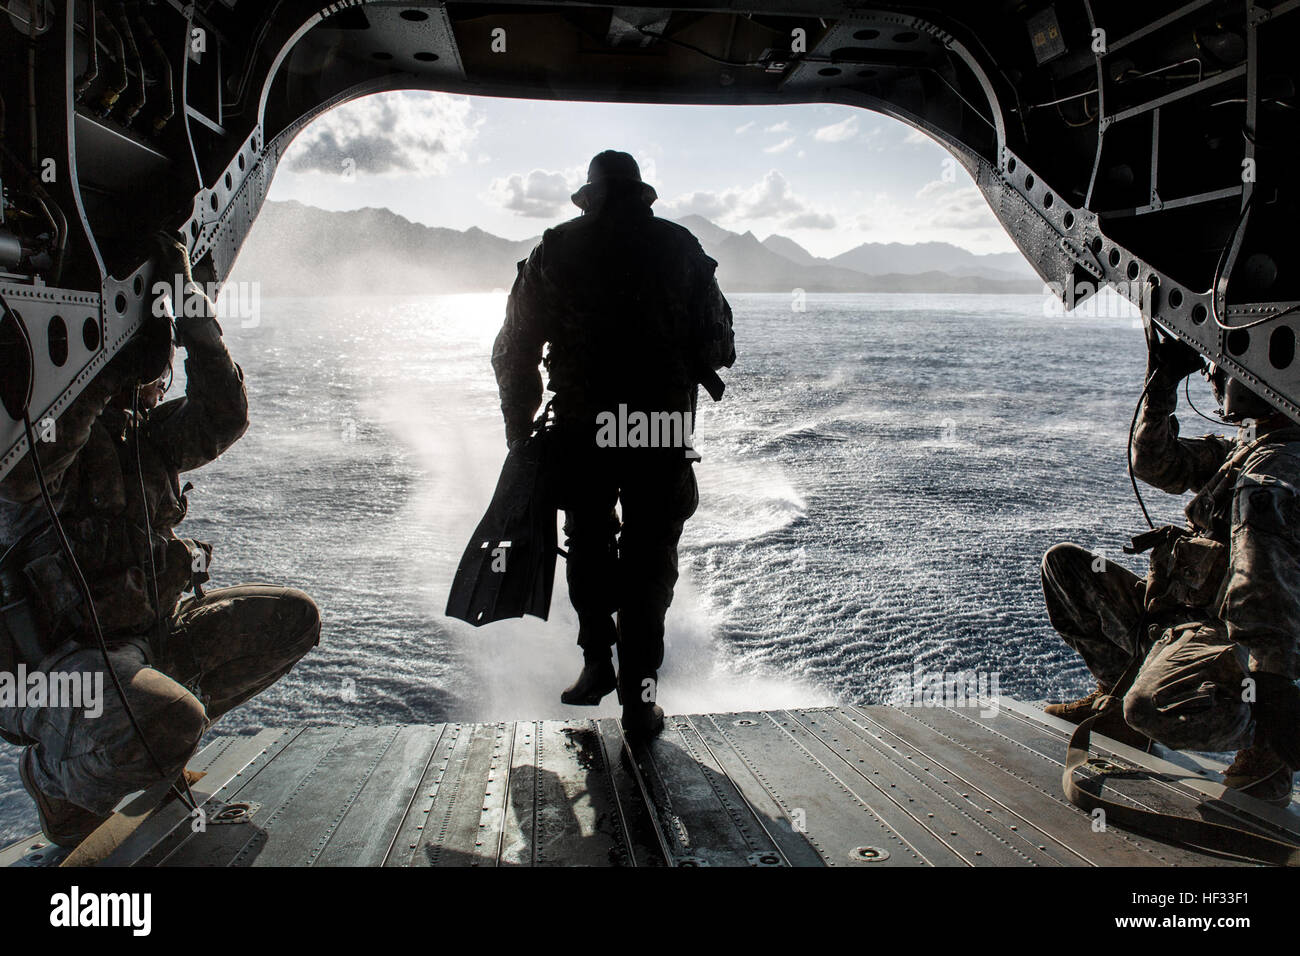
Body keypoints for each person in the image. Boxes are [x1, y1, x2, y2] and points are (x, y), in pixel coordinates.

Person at [0, 237, 321, 845]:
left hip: (147, 634)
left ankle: (157, 720)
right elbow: (26, 473)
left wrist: (195, 322)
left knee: (292, 620)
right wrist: (103, 374)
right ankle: (56, 779)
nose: (151, 385)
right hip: (52, 663)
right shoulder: (28, 436)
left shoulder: (146, 437)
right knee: (163, 723)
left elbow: (223, 416)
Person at [491, 150, 735, 739]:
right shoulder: (682, 250)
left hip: (584, 428)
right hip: (659, 432)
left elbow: (514, 351)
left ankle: (597, 660)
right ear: (641, 195)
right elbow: (721, 346)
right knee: (651, 556)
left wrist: (518, 433)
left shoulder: (554, 251)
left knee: (590, 540)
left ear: (591, 196)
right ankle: (638, 700)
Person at [1041, 320, 1300, 805]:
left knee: (1153, 707)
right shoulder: (1246, 451)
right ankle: (1112, 697)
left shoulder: (1275, 470)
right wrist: (1160, 384)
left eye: (1221, 369)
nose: (1214, 376)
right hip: (1176, 614)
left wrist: (1271, 682)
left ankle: (1265, 746)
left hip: (1224, 634)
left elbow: (1263, 580)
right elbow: (1154, 462)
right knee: (1067, 567)